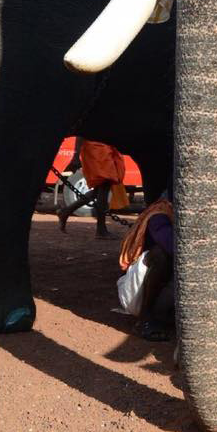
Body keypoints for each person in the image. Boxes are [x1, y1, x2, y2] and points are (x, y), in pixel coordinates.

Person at [119, 191, 174, 341]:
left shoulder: (170, 213)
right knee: (161, 255)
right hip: (137, 292)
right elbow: (172, 247)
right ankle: (146, 318)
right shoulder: (159, 216)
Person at [57, 138, 126, 239]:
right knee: (104, 186)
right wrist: (75, 156)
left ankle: (66, 212)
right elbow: (81, 133)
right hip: (97, 151)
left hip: (104, 148)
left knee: (99, 190)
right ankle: (101, 230)